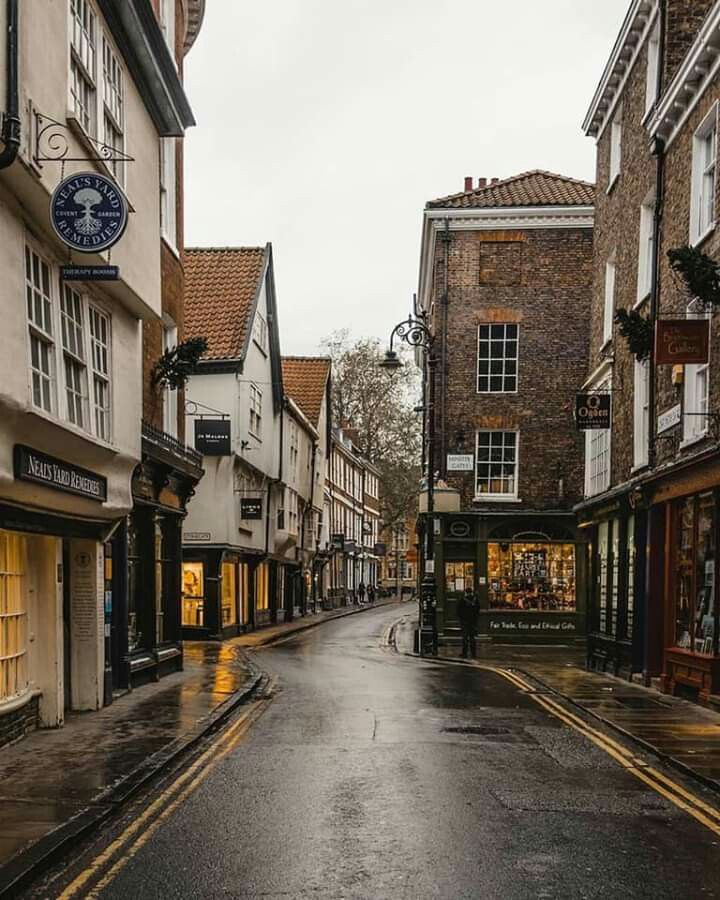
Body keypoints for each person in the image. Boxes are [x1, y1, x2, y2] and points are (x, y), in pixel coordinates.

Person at [457, 586, 479, 659]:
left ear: (465, 593)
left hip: (465, 621)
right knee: (472, 637)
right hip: (473, 621)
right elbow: (477, 610)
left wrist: (461, 619)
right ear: (471, 592)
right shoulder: (475, 600)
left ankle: (464, 653)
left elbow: (458, 610)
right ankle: (473, 654)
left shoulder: (462, 600)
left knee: (465, 637)